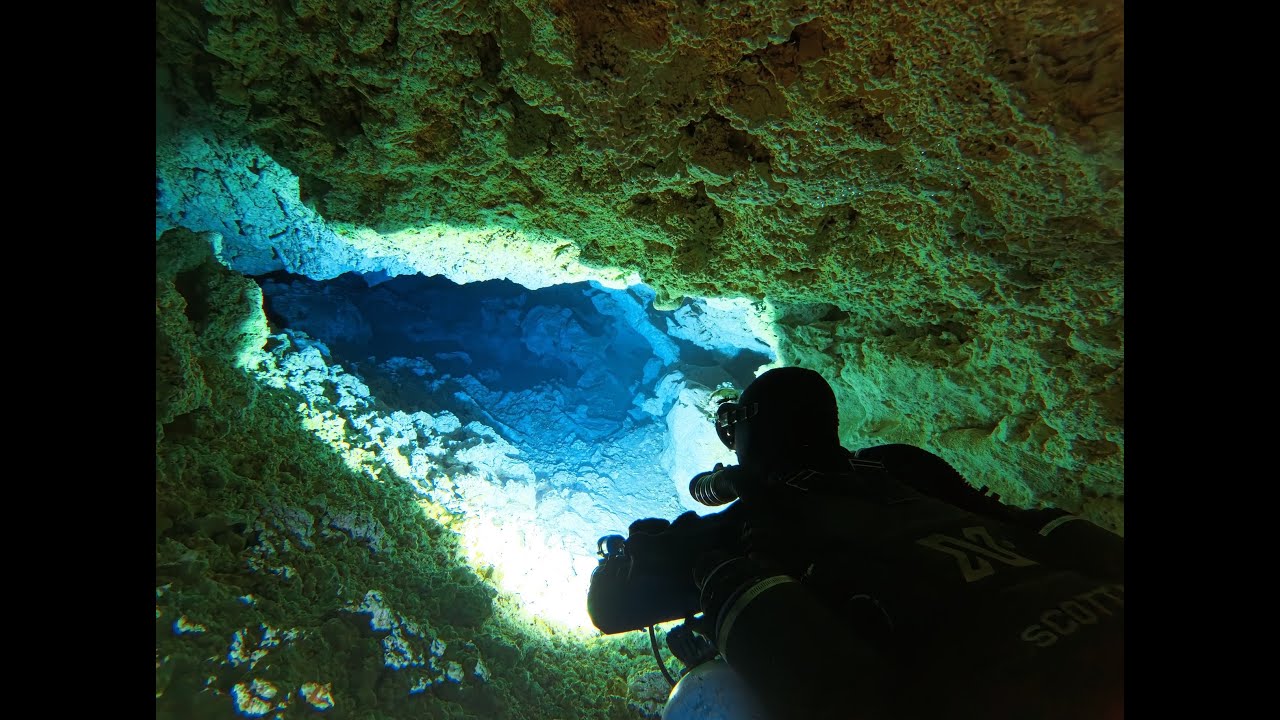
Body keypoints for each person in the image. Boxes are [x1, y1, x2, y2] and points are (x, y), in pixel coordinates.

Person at [588, 366, 1123, 720]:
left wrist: (645, 546)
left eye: (734, 427)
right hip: (1103, 621)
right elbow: (1011, 517)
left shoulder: (751, 517)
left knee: (712, 681)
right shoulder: (901, 464)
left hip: (985, 691)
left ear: (752, 432)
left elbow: (609, 607)